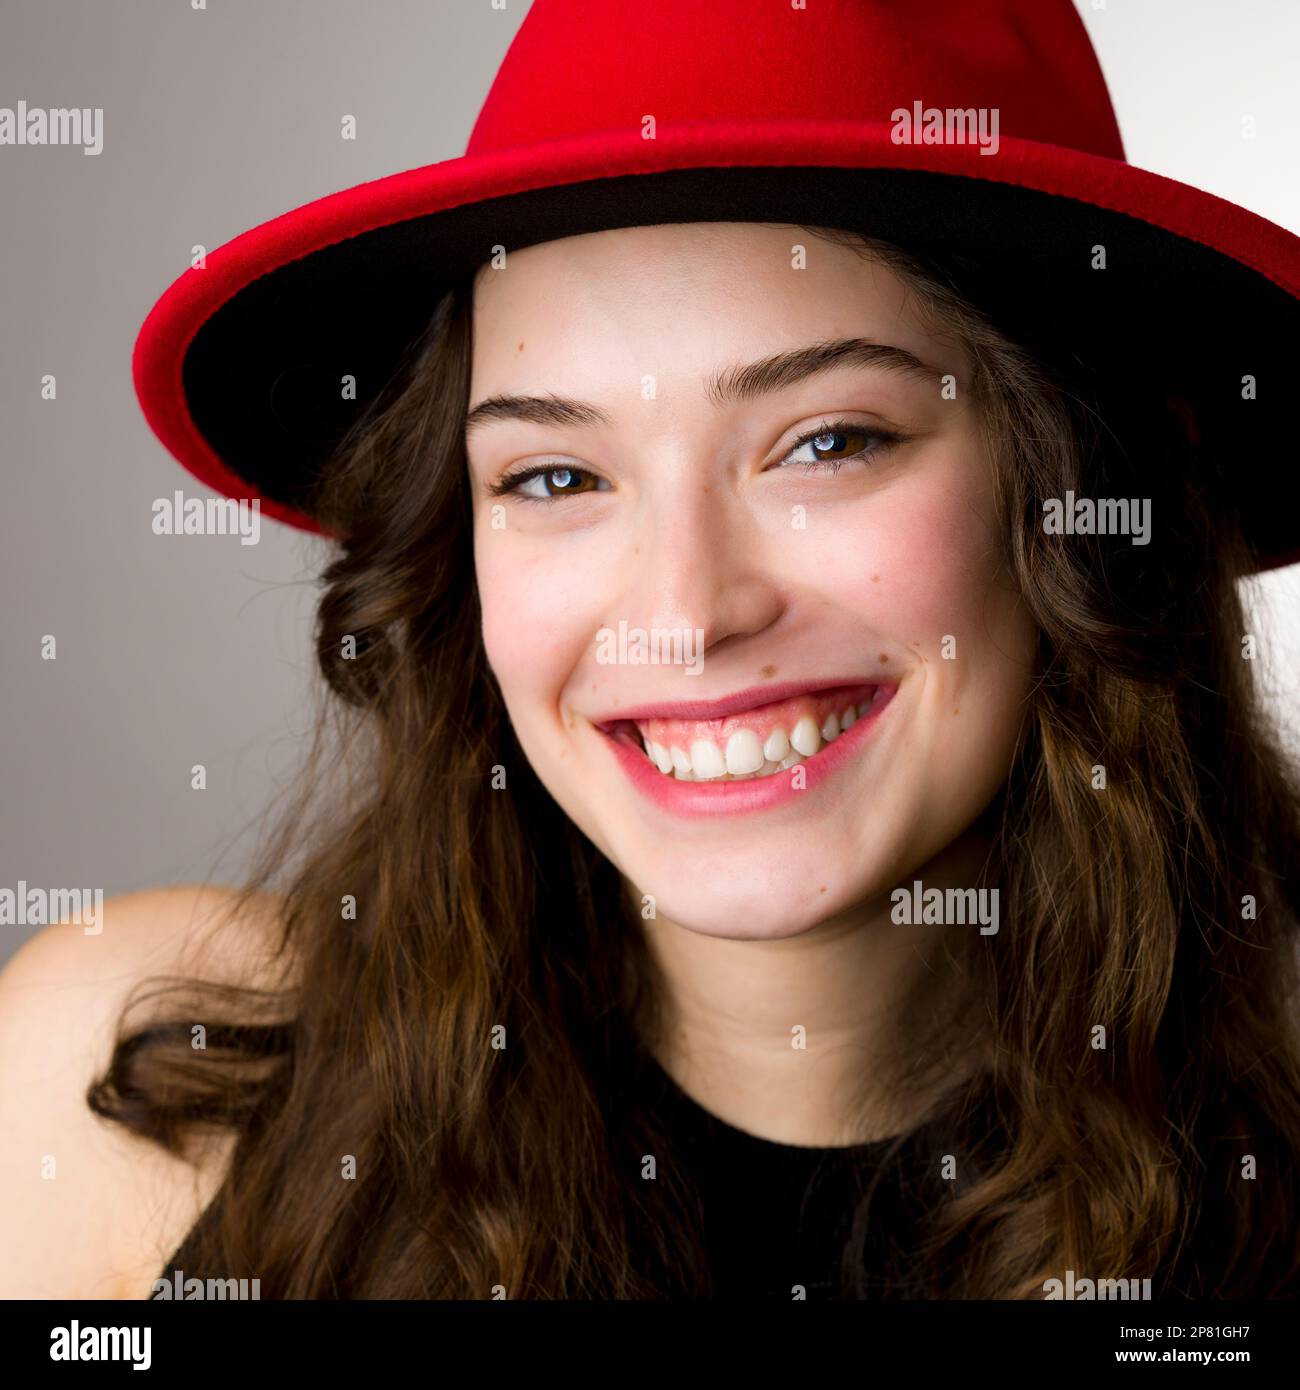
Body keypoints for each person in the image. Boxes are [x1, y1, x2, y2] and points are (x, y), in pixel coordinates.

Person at [3, 0, 1299, 1300]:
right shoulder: (136, 1097)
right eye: (556, 473)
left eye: (829, 442)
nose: (687, 608)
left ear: (1080, 489)